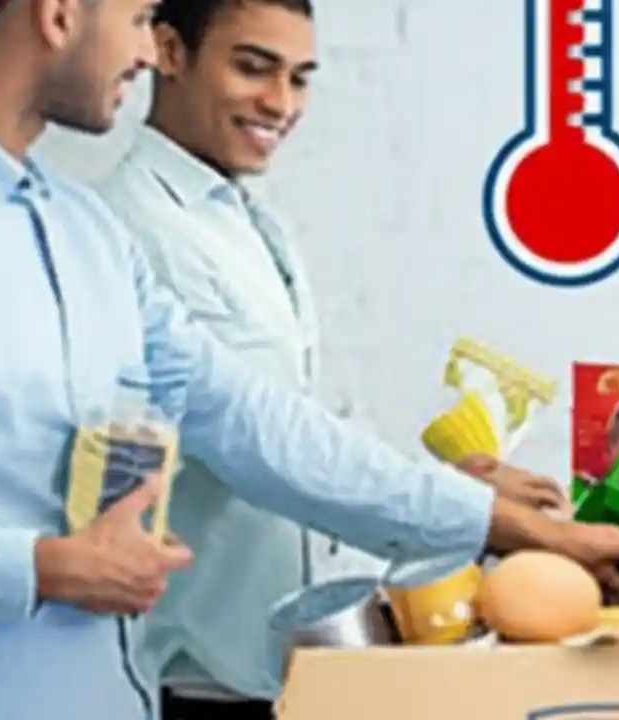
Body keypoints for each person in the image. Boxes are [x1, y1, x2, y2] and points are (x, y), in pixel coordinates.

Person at [0, 2, 619, 719]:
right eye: (135, 18)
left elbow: (258, 425)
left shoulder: (84, 232)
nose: (142, 50)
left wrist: (519, 529)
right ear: (58, 13)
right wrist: (40, 568)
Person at [91, 1, 570, 716]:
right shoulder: (127, 229)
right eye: (252, 67)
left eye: (300, 78)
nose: (280, 103)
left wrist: (438, 491)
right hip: (197, 680)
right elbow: (255, 447)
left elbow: (294, 430)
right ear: (168, 50)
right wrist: (467, 513)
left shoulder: (248, 221)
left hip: (292, 664)